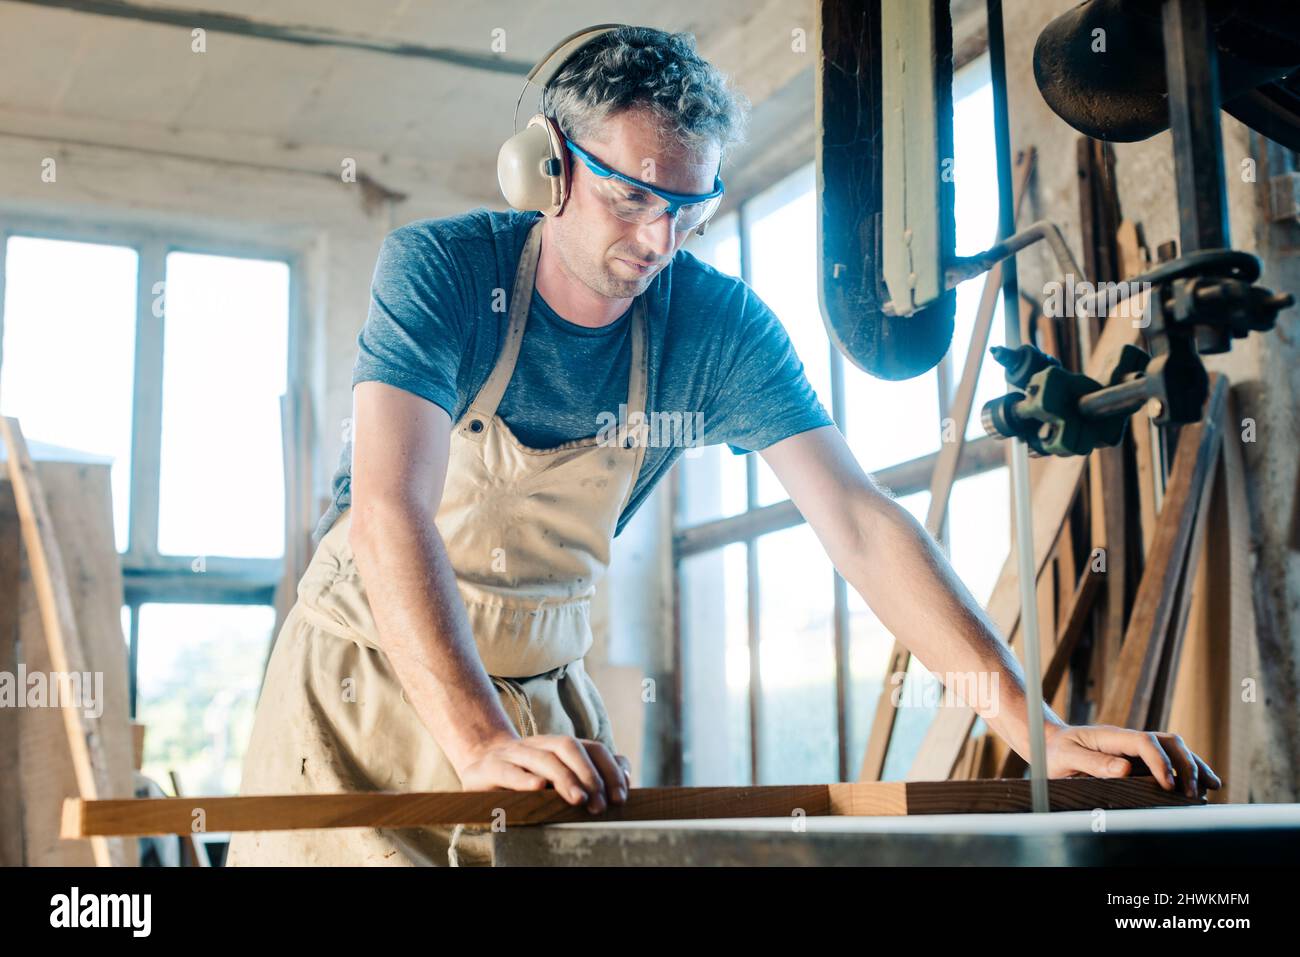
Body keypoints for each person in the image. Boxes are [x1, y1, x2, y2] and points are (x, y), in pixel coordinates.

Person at [227, 24, 1219, 867]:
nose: (660, 242)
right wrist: (475, 738)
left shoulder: (716, 325)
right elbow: (389, 509)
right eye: (632, 199)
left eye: (688, 207)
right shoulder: (445, 272)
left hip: (537, 699)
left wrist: (1027, 727)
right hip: (362, 689)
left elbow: (861, 523)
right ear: (549, 168)